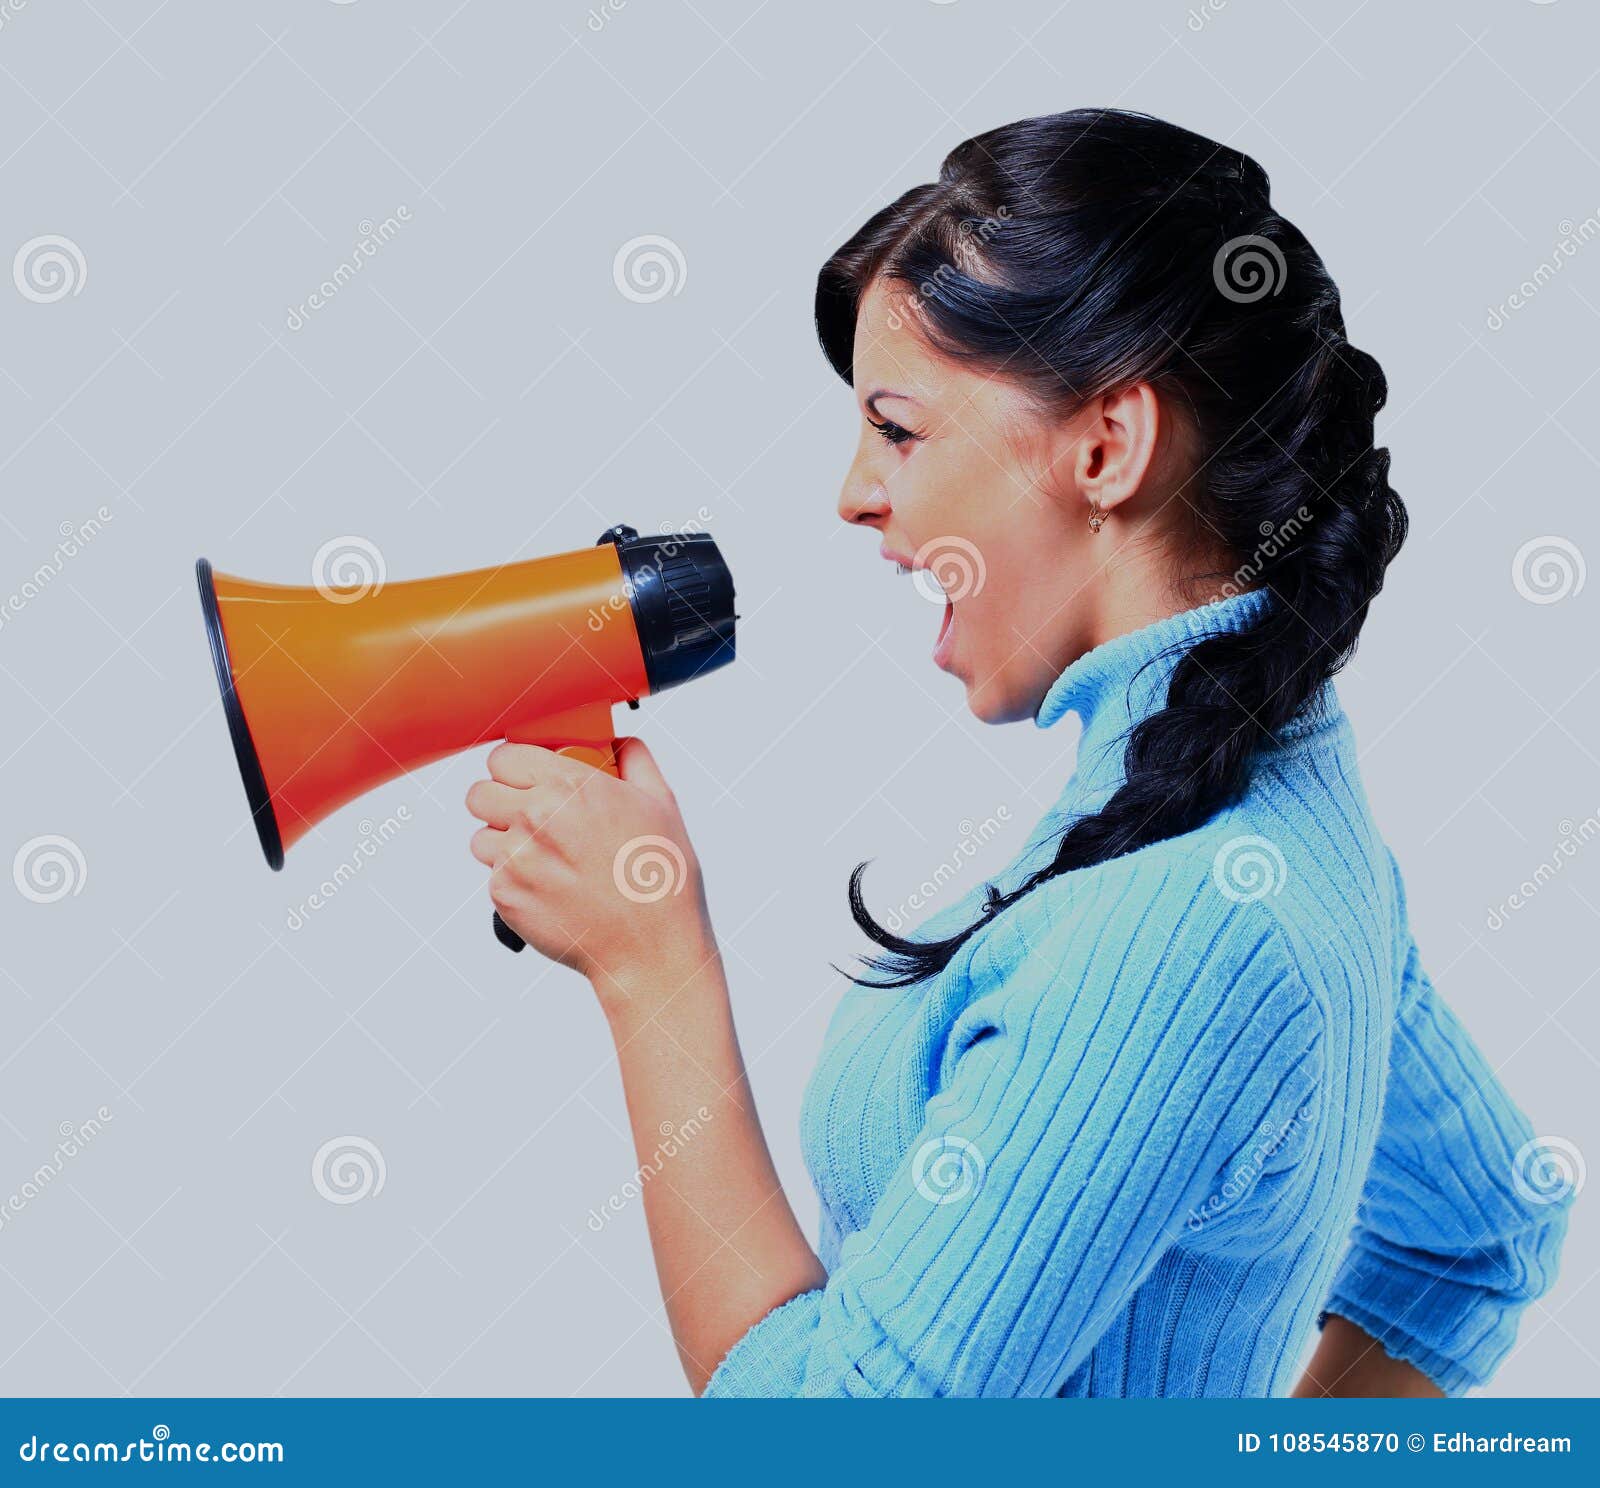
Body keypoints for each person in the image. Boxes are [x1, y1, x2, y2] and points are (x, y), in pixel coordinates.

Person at [466, 107, 1570, 1397]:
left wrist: (650, 968)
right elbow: (1475, 1236)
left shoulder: (1181, 932)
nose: (853, 494)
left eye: (899, 429)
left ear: (1106, 447)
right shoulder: (1268, 819)